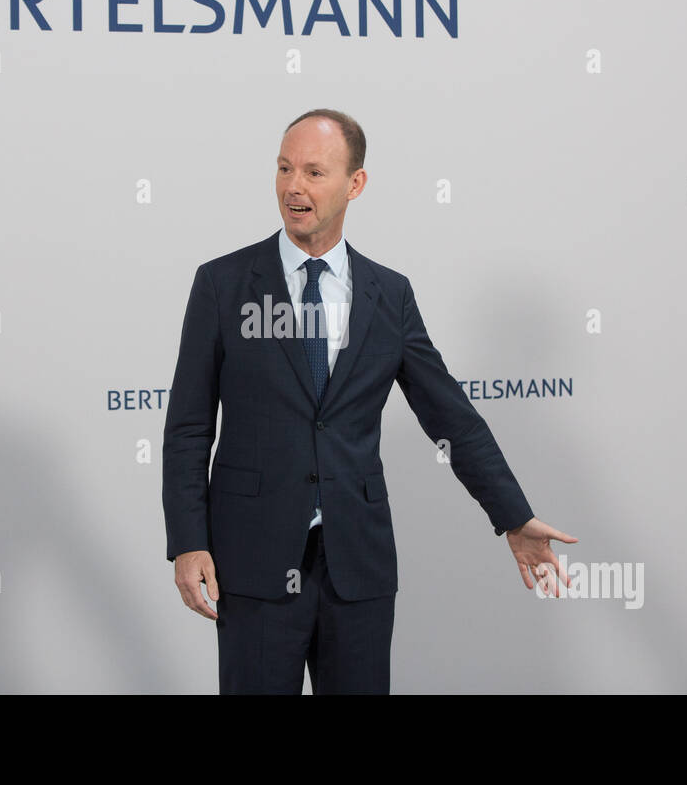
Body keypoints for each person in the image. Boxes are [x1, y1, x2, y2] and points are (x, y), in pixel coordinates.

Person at [162, 109, 577, 694]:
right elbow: (188, 427)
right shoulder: (222, 284)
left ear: (355, 183)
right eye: (283, 169)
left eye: (313, 171)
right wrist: (188, 541)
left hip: (356, 567)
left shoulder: (390, 295)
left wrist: (512, 515)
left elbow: (449, 414)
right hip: (252, 562)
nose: (293, 187)